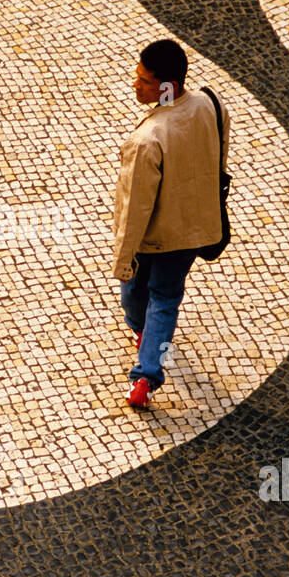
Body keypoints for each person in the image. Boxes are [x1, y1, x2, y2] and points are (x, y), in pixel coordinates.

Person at [112, 38, 229, 408]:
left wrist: (123, 258)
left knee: (139, 294)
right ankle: (147, 366)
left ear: (168, 87)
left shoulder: (147, 140)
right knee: (165, 299)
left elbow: (135, 209)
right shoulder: (210, 105)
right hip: (195, 229)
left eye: (144, 80)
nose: (136, 85)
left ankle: (145, 360)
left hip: (157, 237)